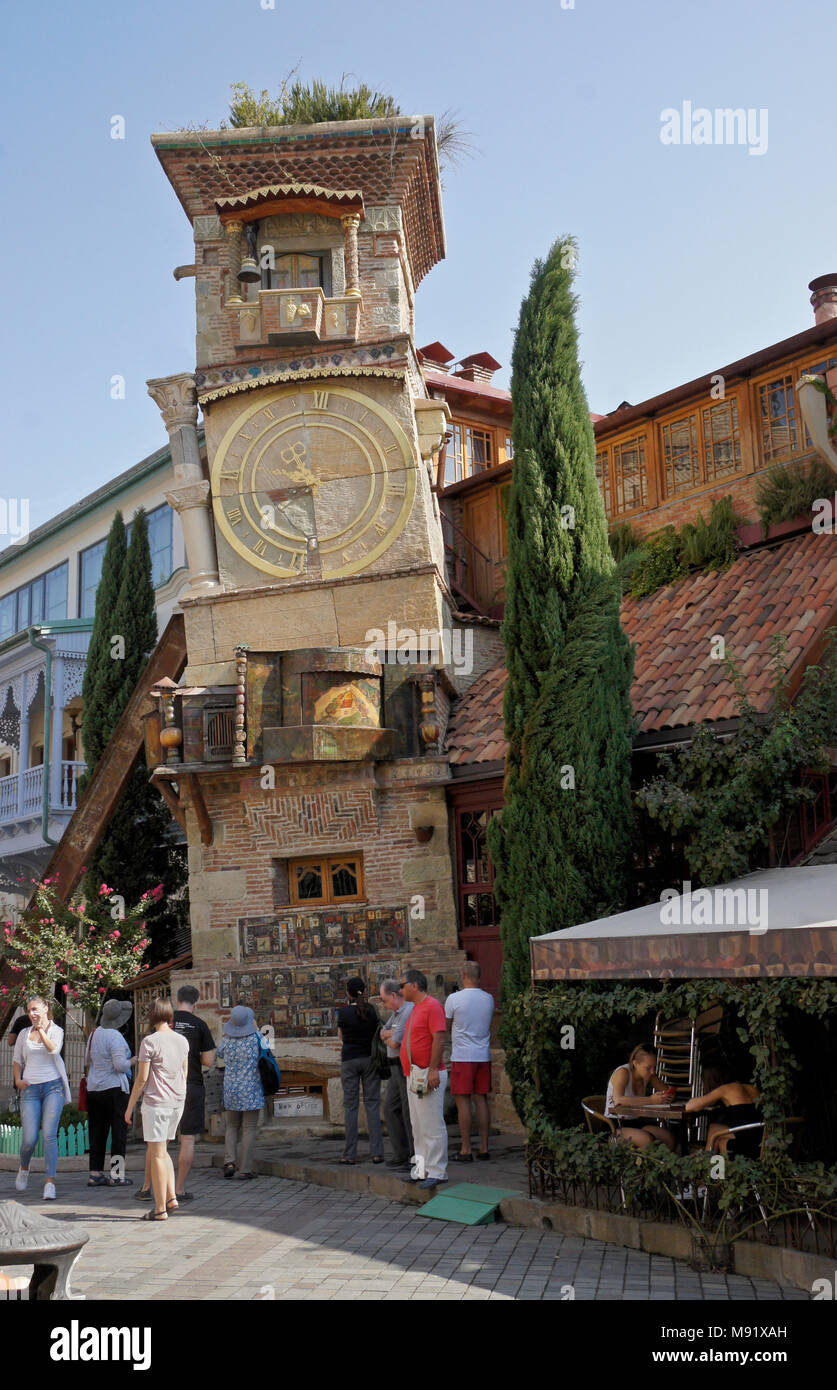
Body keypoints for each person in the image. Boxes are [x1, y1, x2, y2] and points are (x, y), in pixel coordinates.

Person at [125, 998, 189, 1220]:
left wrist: (130, 1107)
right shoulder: (182, 1041)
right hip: (176, 1102)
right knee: (162, 1151)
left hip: (156, 1103)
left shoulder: (149, 1042)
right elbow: (184, 1074)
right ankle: (171, 1197)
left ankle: (160, 1208)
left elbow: (141, 1080)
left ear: (151, 1015)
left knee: (157, 1155)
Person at [12, 995, 72, 1201]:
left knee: (49, 1134)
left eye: (35, 1009)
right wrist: (18, 1080)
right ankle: (24, 1166)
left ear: (46, 1008)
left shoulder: (57, 1031)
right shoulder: (23, 1034)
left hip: (53, 1087)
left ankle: (50, 1182)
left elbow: (54, 1049)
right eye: (29, 1011)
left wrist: (41, 1031)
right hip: (30, 1089)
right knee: (29, 1139)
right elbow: (17, 1060)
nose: (32, 1014)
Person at [399, 970, 449, 1190]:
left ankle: (437, 1171)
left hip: (427, 1073)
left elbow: (439, 1037)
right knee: (418, 1126)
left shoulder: (432, 1006)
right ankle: (421, 1169)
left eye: (403, 985)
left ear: (414, 985)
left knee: (431, 1124)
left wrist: (432, 1070)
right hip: (414, 1074)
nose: (400, 990)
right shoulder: (417, 1008)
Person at [444, 961, 495, 1162]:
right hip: (483, 1054)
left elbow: (446, 1026)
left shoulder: (454, 999)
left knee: (463, 1100)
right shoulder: (489, 999)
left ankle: (466, 1149)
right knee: (481, 1099)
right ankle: (484, 1148)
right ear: (479, 977)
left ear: (463, 975)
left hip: (463, 1056)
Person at [171, 985, 216, 1201]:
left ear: (177, 1000)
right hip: (192, 1085)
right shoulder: (200, 1025)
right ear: (195, 1002)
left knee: (159, 1141)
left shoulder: (164, 1023)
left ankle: (149, 1187)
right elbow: (208, 1061)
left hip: (165, 1087)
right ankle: (179, 1189)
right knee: (187, 1139)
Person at [86, 998, 135, 1187]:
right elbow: (120, 1066)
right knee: (118, 1133)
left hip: (94, 1089)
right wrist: (134, 1060)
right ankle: (116, 1175)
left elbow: (87, 1059)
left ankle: (95, 1172)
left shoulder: (94, 1034)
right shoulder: (115, 1037)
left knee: (97, 1132)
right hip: (114, 1089)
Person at [336, 977, 384, 1166]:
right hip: (370, 1059)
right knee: (372, 1104)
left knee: (351, 1106)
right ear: (364, 992)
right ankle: (377, 1153)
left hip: (349, 1060)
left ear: (348, 993)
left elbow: (341, 1036)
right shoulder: (372, 1010)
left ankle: (350, 1154)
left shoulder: (343, 1013)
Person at [216, 1005, 264, 1180]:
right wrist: (256, 1029)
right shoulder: (256, 1038)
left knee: (232, 1127)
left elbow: (219, 1054)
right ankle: (245, 1169)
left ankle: (229, 1162)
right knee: (249, 1129)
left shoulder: (227, 1040)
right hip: (251, 1089)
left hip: (231, 1089)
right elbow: (266, 1052)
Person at [604, 1043, 677, 1151]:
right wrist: (651, 1100)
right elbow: (618, 1100)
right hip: (615, 1125)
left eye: (654, 1067)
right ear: (635, 1064)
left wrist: (668, 1096)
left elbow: (667, 1092)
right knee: (647, 1140)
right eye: (648, 1068)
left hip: (635, 1123)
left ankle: (662, 1166)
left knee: (669, 1138)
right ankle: (636, 1166)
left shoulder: (649, 1075)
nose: (652, 1071)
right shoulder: (623, 1073)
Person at [685, 1067, 762, 1156]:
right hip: (760, 1141)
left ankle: (708, 1164)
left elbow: (691, 1107)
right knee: (714, 1128)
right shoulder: (753, 1088)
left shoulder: (726, 1089)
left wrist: (692, 1100)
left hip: (745, 1145)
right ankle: (708, 1162)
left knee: (721, 1140)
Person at [379, 979, 414, 1170]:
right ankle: (401, 1152)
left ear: (393, 996)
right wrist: (389, 1034)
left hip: (402, 1065)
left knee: (408, 1111)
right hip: (393, 1066)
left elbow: (395, 1042)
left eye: (384, 1000)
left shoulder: (407, 1011)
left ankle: (413, 1156)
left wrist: (389, 1036)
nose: (384, 1005)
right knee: (390, 1108)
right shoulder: (395, 1013)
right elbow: (382, 1032)